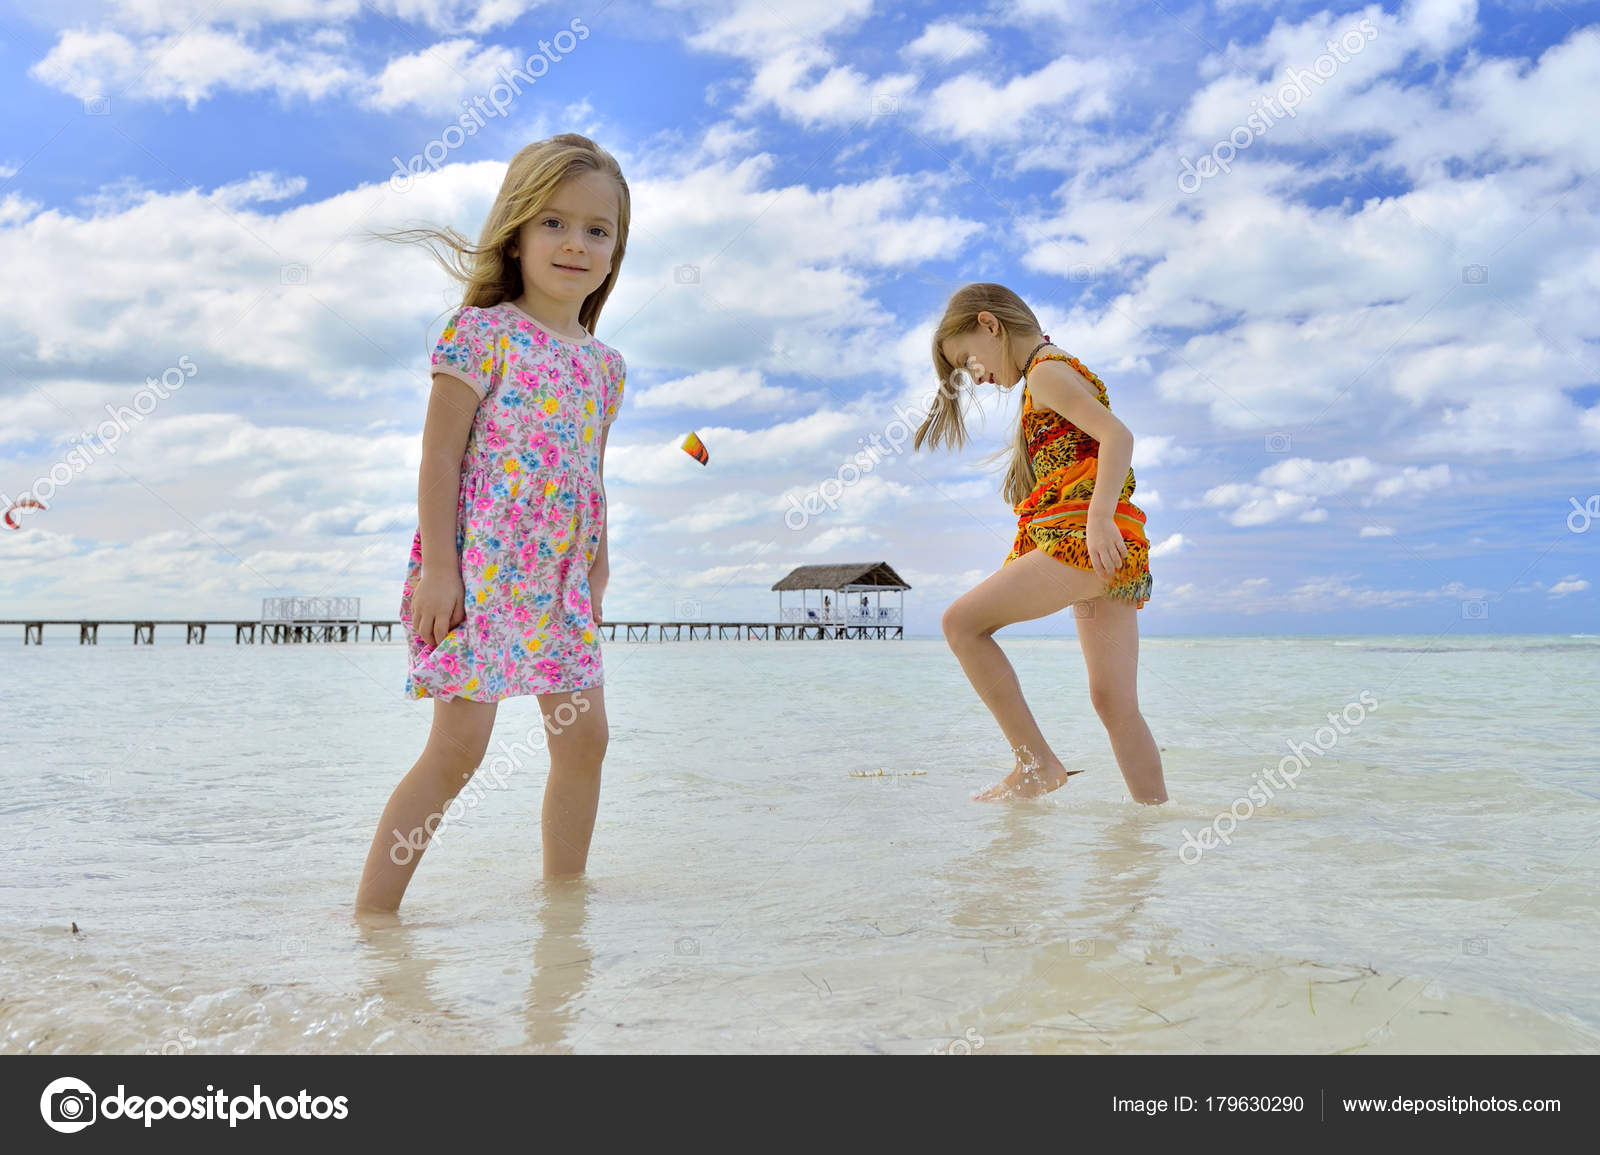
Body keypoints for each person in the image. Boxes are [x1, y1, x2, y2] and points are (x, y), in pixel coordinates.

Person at [355, 134, 630, 912]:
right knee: (457, 751)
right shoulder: (479, 332)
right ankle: (374, 918)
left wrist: (600, 563)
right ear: (515, 230)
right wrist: (441, 569)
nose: (575, 242)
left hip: (561, 583)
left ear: (616, 249)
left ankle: (563, 905)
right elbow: (439, 458)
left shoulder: (605, 366)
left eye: (597, 229)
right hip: (477, 575)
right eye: (553, 223)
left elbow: (591, 472)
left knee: (586, 738)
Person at [917, 282, 1167, 805]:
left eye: (968, 360)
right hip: (1113, 549)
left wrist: (1097, 519)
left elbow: (1118, 437)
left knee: (961, 624)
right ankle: (1155, 826)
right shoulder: (1052, 371)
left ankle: (1036, 765)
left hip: (1084, 540)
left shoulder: (1047, 371)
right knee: (1114, 703)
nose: (976, 378)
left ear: (990, 325)